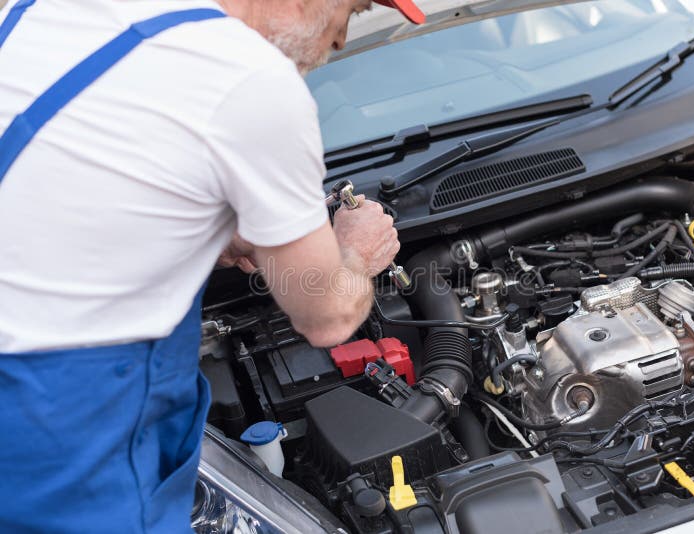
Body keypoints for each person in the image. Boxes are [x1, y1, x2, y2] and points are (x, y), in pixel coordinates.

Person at [0, 0, 425, 531]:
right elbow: (331, 317)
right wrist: (358, 252)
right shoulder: (249, 79)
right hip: (67, 424)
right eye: (355, 9)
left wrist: (201, 230)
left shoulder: (48, 11)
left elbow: (70, 173)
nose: (341, 39)